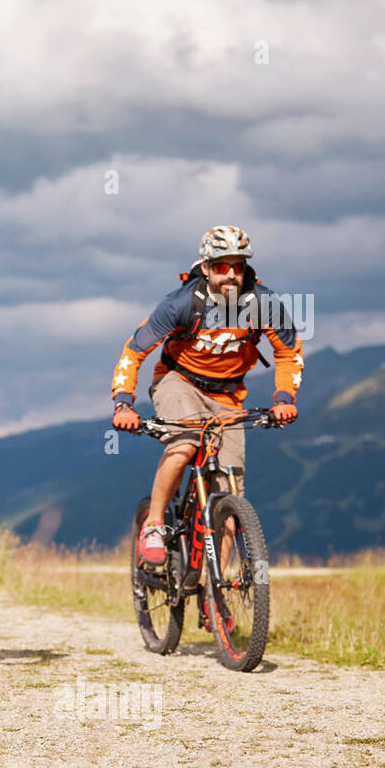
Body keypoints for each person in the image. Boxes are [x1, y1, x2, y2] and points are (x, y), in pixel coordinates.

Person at [111, 225, 303, 564]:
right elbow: (134, 352)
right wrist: (124, 402)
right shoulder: (181, 303)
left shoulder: (264, 303)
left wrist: (284, 398)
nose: (230, 274)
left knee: (229, 496)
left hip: (228, 398)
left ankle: (214, 593)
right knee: (185, 443)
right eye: (221, 266)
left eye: (238, 266)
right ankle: (155, 524)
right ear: (206, 267)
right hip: (178, 381)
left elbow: (288, 352)